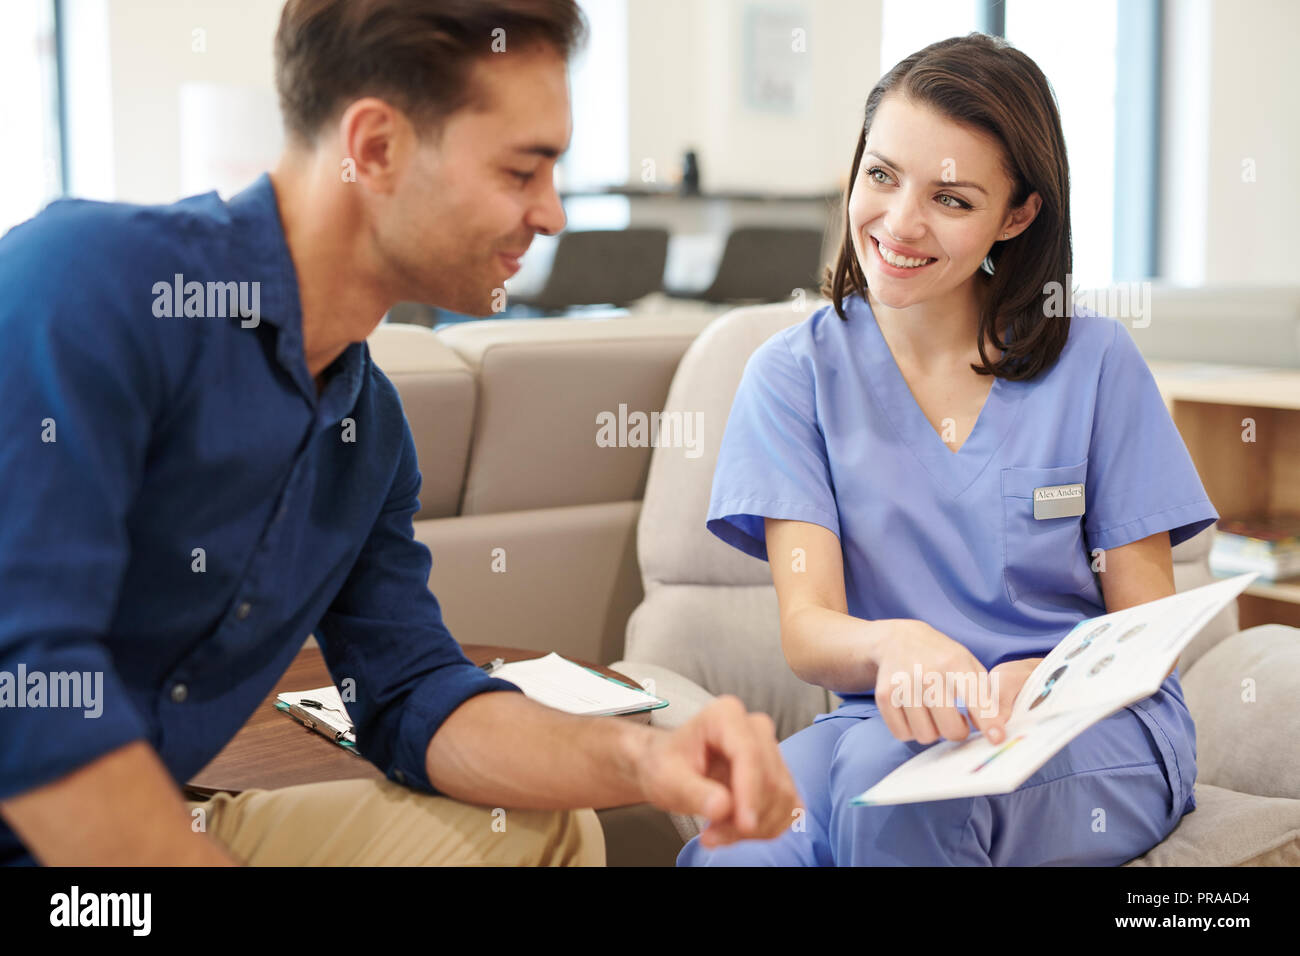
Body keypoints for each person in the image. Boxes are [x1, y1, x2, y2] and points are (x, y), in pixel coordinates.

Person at [0, 0, 798, 867]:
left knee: (545, 835)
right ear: (376, 148)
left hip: (149, 829)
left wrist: (649, 758)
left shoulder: (364, 427)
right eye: (522, 171)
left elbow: (411, 694)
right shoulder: (87, 286)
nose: (553, 214)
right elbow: (28, 686)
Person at [678, 33, 1217, 867]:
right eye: (882, 175)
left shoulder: (1097, 364)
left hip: (1088, 722)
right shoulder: (792, 376)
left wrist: (1033, 679)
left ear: (1018, 214)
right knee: (737, 852)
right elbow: (808, 623)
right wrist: (895, 646)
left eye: (952, 199)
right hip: (884, 720)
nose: (899, 223)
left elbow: (1143, 629)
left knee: (901, 806)